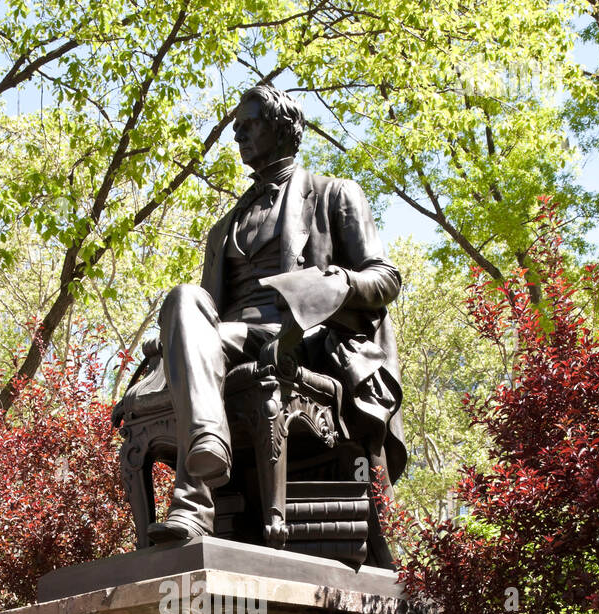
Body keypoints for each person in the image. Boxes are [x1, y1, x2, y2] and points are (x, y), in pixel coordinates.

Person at [139, 84, 407, 549]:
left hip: (303, 335)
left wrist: (333, 283)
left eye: (249, 124)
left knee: (192, 322)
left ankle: (193, 501)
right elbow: (207, 307)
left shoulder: (334, 194)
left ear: (282, 128)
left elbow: (385, 279)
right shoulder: (223, 228)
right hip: (233, 334)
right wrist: (173, 337)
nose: (237, 133)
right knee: (182, 299)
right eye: (236, 126)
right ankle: (208, 444)